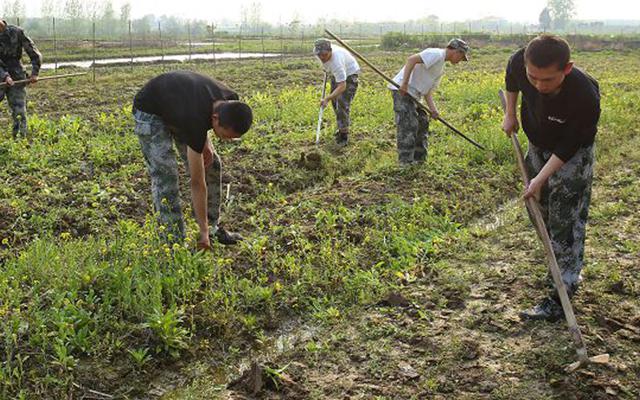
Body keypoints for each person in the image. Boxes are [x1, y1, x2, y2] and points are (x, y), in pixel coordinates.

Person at [502, 35, 601, 321]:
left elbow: (569, 146)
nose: (539, 86)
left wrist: (540, 179)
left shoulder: (585, 94)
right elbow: (511, 76)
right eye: (533, 78)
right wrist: (510, 113)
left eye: (548, 80)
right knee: (538, 210)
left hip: (571, 156)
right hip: (538, 145)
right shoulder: (520, 62)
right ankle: (556, 265)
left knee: (565, 221)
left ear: (567, 69)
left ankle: (562, 293)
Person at [132, 70, 253, 250]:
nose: (229, 140)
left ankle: (212, 229)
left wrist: (206, 143)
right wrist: (200, 230)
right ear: (215, 119)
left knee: (212, 164)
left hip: (181, 105)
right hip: (151, 110)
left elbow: (201, 116)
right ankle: (172, 242)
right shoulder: (194, 120)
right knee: (166, 176)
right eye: (226, 136)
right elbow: (197, 182)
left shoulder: (231, 100)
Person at [389, 38, 469, 166]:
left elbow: (428, 91)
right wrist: (404, 84)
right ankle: (405, 162)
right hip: (403, 91)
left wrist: (433, 110)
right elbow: (411, 60)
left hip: (415, 95)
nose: (460, 61)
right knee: (409, 124)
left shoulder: (440, 67)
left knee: (423, 122)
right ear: (457, 52)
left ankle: (419, 159)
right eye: (461, 57)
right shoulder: (436, 54)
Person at [314, 38, 360, 146]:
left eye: (324, 55)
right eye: (319, 55)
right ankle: (341, 128)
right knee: (335, 101)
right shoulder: (318, 52)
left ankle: (344, 135)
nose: (321, 57)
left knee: (342, 104)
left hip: (349, 75)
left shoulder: (337, 62)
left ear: (330, 51)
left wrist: (327, 98)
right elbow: (325, 64)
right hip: (336, 75)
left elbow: (342, 86)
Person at [0, 19, 41, 137]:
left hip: (17, 75)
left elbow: (33, 52)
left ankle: (19, 141)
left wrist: (35, 73)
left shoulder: (17, 32)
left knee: (19, 111)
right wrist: (5, 76)